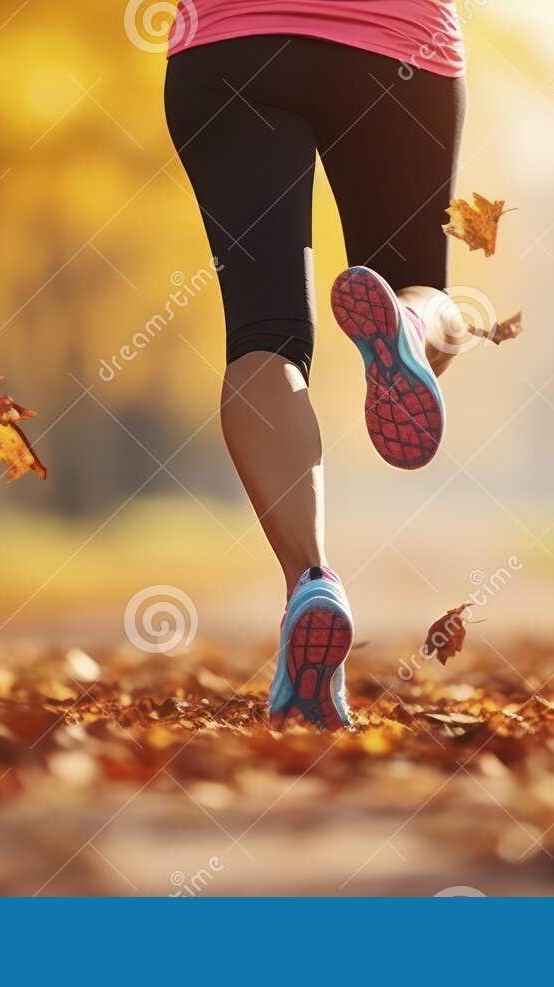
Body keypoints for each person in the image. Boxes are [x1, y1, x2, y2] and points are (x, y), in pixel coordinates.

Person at [164, 0, 471, 728]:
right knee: (428, 289)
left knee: (264, 335)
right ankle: (409, 320)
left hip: (233, 46)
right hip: (399, 41)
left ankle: (310, 582)